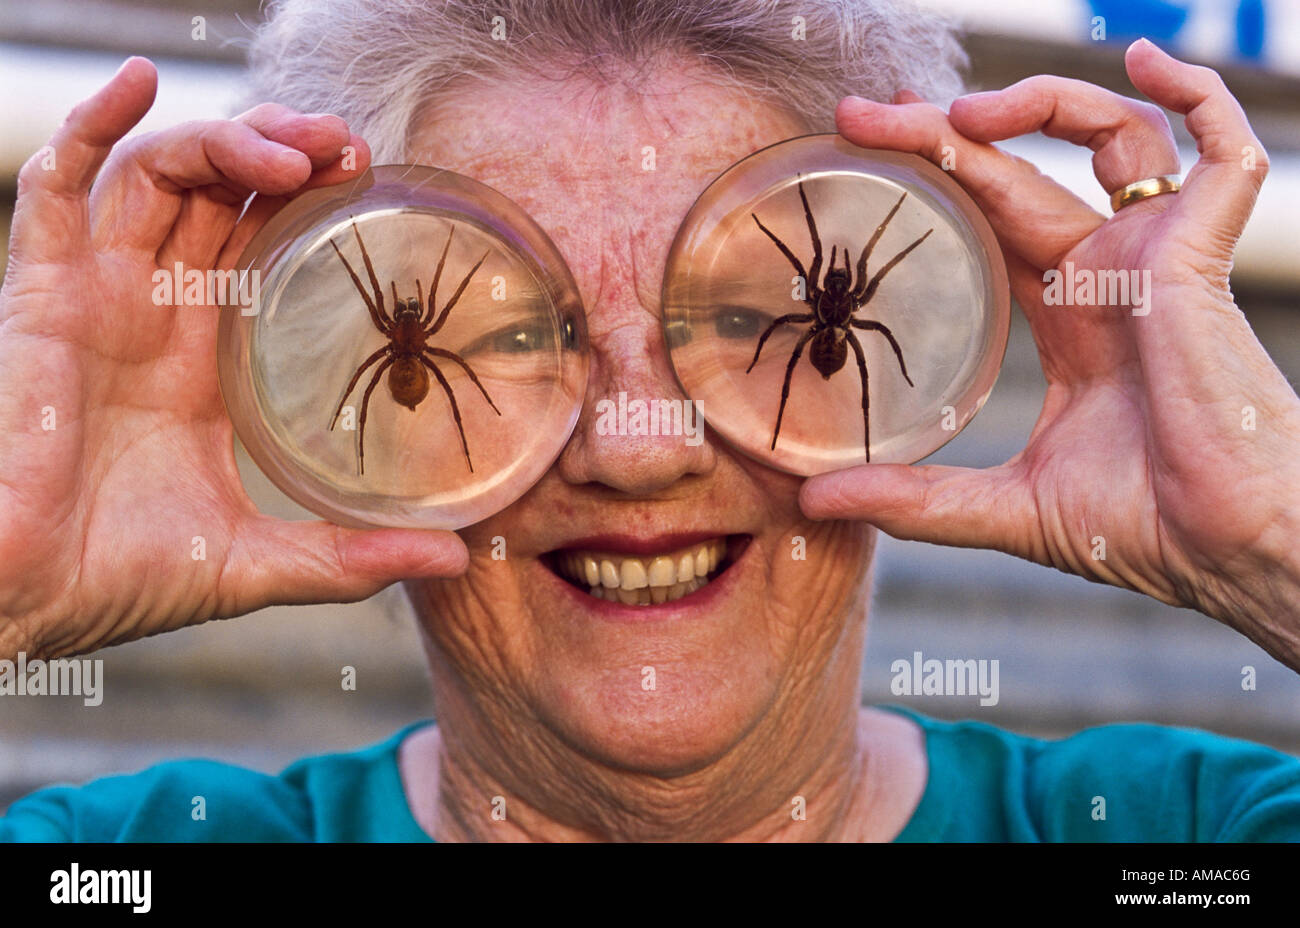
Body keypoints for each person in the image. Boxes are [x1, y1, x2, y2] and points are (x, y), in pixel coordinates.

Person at [2, 0, 1298, 843]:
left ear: (890, 370)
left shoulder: (1187, 842)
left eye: (746, 317)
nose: (634, 449)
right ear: (357, 411)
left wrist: (1273, 538)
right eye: (509, 334)